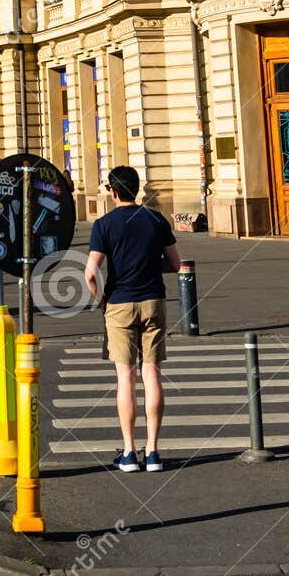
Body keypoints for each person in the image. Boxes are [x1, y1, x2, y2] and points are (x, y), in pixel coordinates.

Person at [85, 165, 181, 472]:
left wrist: (102, 301)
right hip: (154, 300)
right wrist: (152, 267)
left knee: (125, 377)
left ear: (112, 191)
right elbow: (176, 264)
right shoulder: (155, 219)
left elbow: (90, 274)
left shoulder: (103, 224)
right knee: (151, 372)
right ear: (136, 189)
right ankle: (153, 451)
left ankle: (129, 453)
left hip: (119, 303)